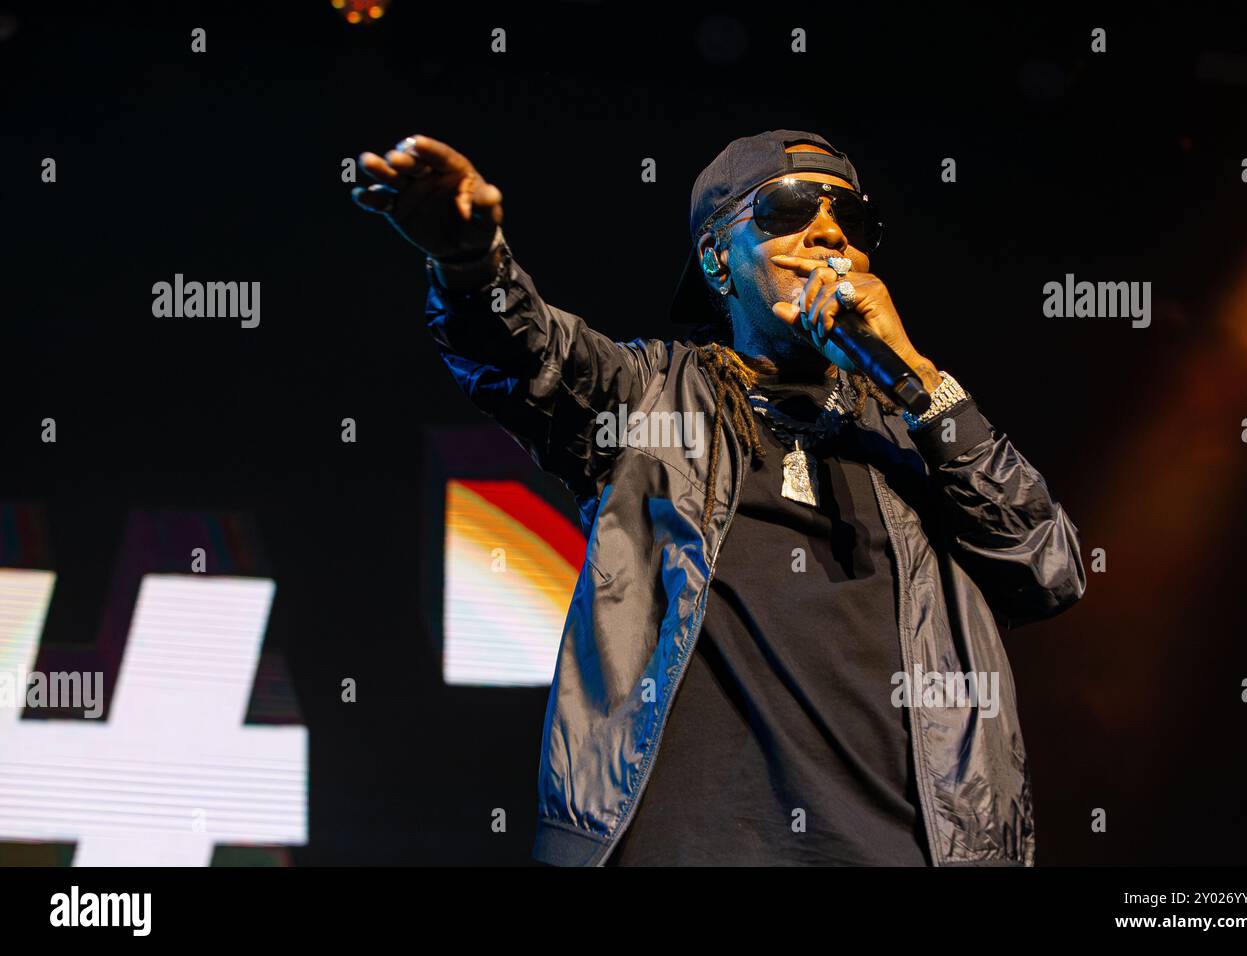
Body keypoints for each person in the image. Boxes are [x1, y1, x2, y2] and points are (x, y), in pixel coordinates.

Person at [352, 129, 1086, 866]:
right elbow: (525, 354)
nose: (828, 231)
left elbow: (1048, 568)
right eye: (787, 209)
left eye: (850, 218)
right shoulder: (652, 402)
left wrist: (919, 378)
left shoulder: (913, 435)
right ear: (715, 261)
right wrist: (471, 263)